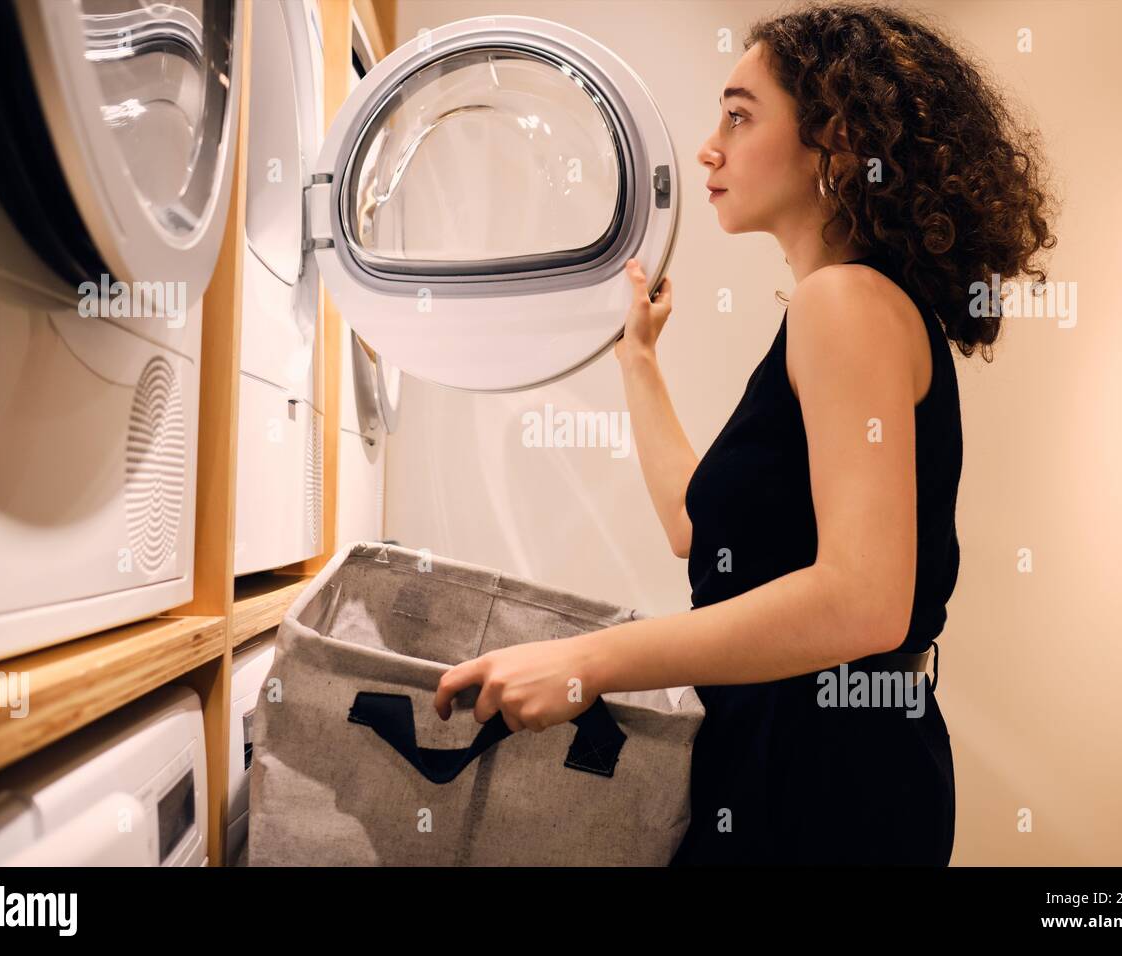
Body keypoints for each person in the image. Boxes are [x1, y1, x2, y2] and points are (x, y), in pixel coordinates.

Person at [434, 1, 1057, 865]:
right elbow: (698, 530)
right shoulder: (839, 307)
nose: (708, 148)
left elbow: (863, 600)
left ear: (838, 141)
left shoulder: (844, 303)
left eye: (738, 116)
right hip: (806, 753)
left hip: (828, 777)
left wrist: (589, 661)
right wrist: (637, 359)